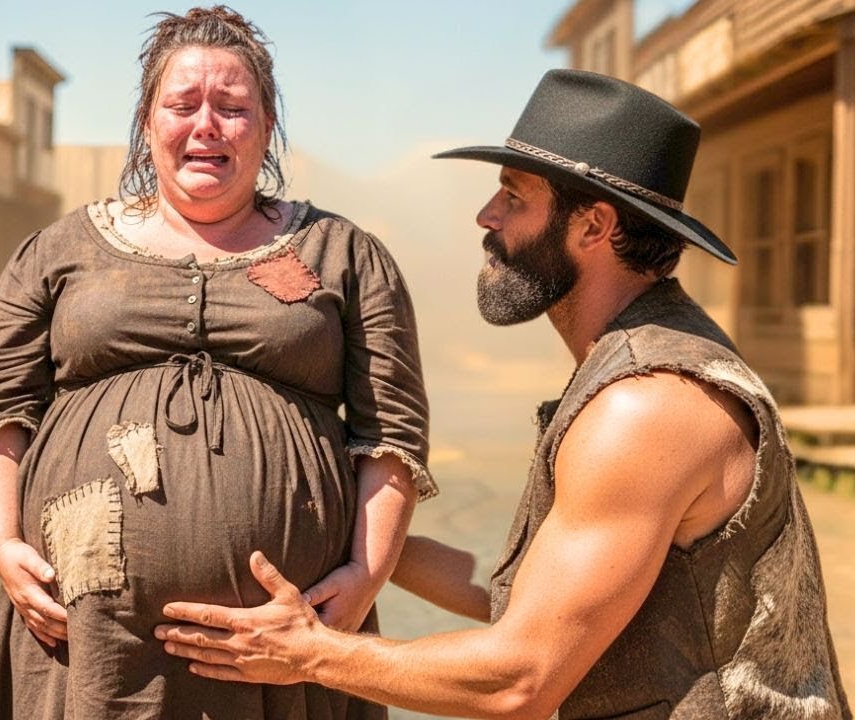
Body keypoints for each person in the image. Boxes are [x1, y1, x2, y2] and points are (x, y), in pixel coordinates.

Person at [156, 69, 852, 720]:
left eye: (515, 196)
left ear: (594, 226)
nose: (487, 216)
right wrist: (338, 524)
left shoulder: (648, 404)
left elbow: (521, 676)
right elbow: (530, 589)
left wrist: (310, 654)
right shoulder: (636, 364)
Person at [0, 5, 432, 718]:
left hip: (285, 637)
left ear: (267, 127)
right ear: (149, 124)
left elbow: (390, 435)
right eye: (182, 104)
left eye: (233, 107)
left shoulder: (344, 254)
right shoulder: (59, 249)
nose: (206, 123)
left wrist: (367, 572)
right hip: (85, 632)